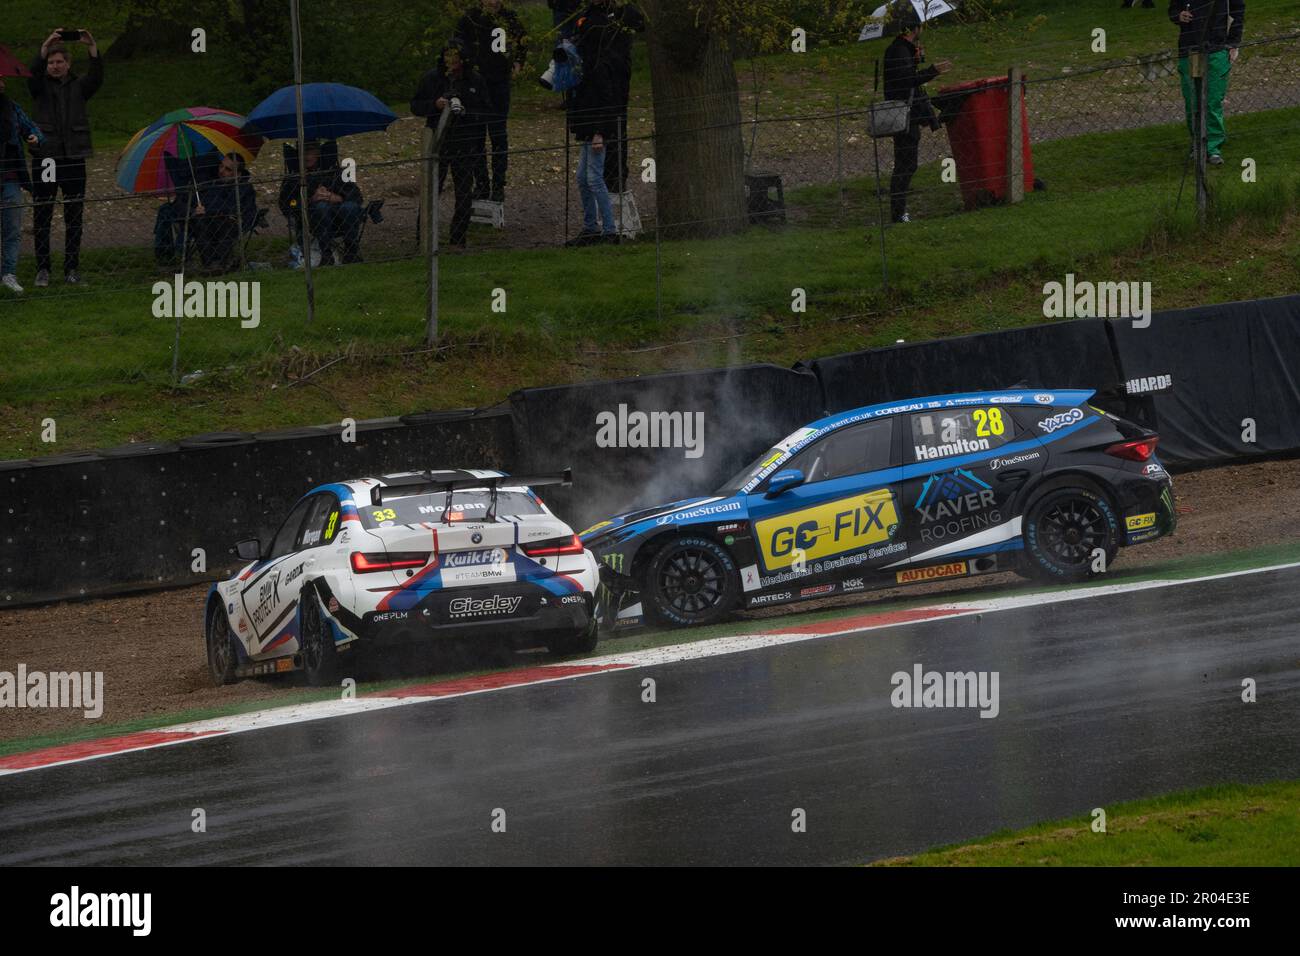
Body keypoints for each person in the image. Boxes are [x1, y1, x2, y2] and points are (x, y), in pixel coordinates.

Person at [27, 29, 103, 286]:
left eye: (59, 62)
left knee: (74, 214)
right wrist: (46, 44)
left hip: (73, 156)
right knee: (43, 214)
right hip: (46, 158)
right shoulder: (39, 86)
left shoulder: (79, 86)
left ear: (68, 64)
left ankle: (71, 268)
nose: (55, 66)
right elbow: (32, 76)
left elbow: (97, 77)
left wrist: (92, 48)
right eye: (51, 62)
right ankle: (43, 269)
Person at [411, 40, 494, 248]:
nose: (452, 62)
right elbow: (415, 105)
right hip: (438, 141)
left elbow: (487, 110)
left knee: (464, 191)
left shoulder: (475, 80)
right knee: (431, 190)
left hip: (466, 142)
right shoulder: (432, 78)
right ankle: (424, 237)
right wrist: (435, 105)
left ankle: (458, 238)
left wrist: (466, 111)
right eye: (448, 57)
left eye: (456, 58)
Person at [455, 0, 528, 203]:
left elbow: (522, 40)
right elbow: (457, 44)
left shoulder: (509, 18)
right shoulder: (470, 18)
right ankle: (482, 183)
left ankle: (498, 184)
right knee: (476, 136)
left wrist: (518, 62)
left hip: (499, 83)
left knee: (498, 135)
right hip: (476, 85)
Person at [882, 9, 950, 224]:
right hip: (905, 114)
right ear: (914, 29)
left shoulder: (902, 49)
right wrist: (932, 71)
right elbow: (906, 80)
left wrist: (917, 58)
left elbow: (905, 76)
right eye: (920, 27)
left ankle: (899, 210)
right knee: (905, 165)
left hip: (907, 112)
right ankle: (898, 213)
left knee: (906, 163)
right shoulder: (899, 50)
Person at [575, 1, 647, 197]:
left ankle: (615, 182)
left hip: (617, 78)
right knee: (596, 126)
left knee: (615, 128)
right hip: (592, 81)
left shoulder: (623, 12)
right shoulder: (588, 15)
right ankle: (602, 183)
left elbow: (642, 24)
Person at [567, 15, 621, 245]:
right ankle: (591, 226)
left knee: (594, 178)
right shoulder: (581, 70)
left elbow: (607, 101)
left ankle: (609, 229)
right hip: (588, 128)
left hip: (597, 130)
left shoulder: (598, 68)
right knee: (582, 177)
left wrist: (599, 132)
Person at [1170, 1, 1245, 166]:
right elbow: (1173, 9)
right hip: (1189, 49)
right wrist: (1179, 16)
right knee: (1192, 101)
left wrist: (1233, 43)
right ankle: (1197, 145)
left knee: (1212, 100)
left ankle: (1213, 148)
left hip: (1217, 49)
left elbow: (1238, 12)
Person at [278, 141, 365, 264]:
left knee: (350, 207)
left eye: (311, 152)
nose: (307, 156)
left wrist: (336, 197)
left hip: (340, 217)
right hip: (311, 220)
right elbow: (288, 204)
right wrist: (309, 200)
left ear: (318, 153)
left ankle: (351, 252)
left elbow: (356, 195)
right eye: (303, 152)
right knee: (321, 207)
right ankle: (326, 254)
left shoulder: (335, 171)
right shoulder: (293, 177)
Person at [0, 76, 44, 294]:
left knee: (12, 229)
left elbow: (34, 130)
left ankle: (8, 274)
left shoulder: (12, 108)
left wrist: (35, 137)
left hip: (11, 179)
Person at [191, 153, 257, 270]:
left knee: (227, 223)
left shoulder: (245, 188)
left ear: (238, 174)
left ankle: (219, 264)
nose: (221, 171)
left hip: (232, 223)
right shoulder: (212, 184)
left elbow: (246, 212)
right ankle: (209, 265)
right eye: (221, 166)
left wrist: (213, 211)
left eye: (228, 169)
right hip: (209, 221)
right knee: (199, 221)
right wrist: (197, 210)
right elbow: (202, 204)